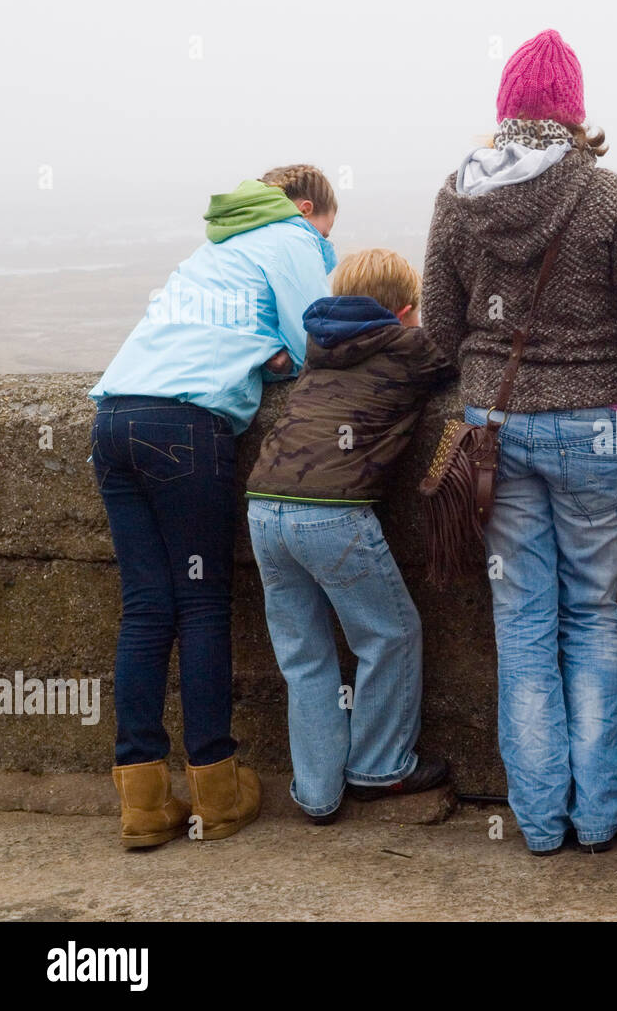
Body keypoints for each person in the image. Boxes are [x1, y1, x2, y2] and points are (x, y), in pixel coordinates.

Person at [421, 29, 617, 855]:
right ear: (574, 113)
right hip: (599, 425)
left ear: (503, 112)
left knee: (522, 620)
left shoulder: (456, 198)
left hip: (496, 431)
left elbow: (438, 324)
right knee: (593, 614)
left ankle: (538, 821)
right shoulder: (607, 197)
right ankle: (599, 816)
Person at [90, 164, 338, 847]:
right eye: (329, 236)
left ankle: (143, 802)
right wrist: (281, 358)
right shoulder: (291, 236)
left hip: (114, 416)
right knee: (201, 603)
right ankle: (217, 790)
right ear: (309, 208)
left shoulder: (214, 248)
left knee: (146, 606)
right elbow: (320, 339)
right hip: (184, 426)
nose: (326, 250)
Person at [245, 249, 455, 823]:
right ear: (407, 309)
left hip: (263, 507)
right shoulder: (411, 347)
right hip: (331, 514)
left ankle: (316, 793)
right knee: (390, 634)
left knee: (303, 656)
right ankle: (381, 767)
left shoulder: (319, 347)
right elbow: (459, 370)